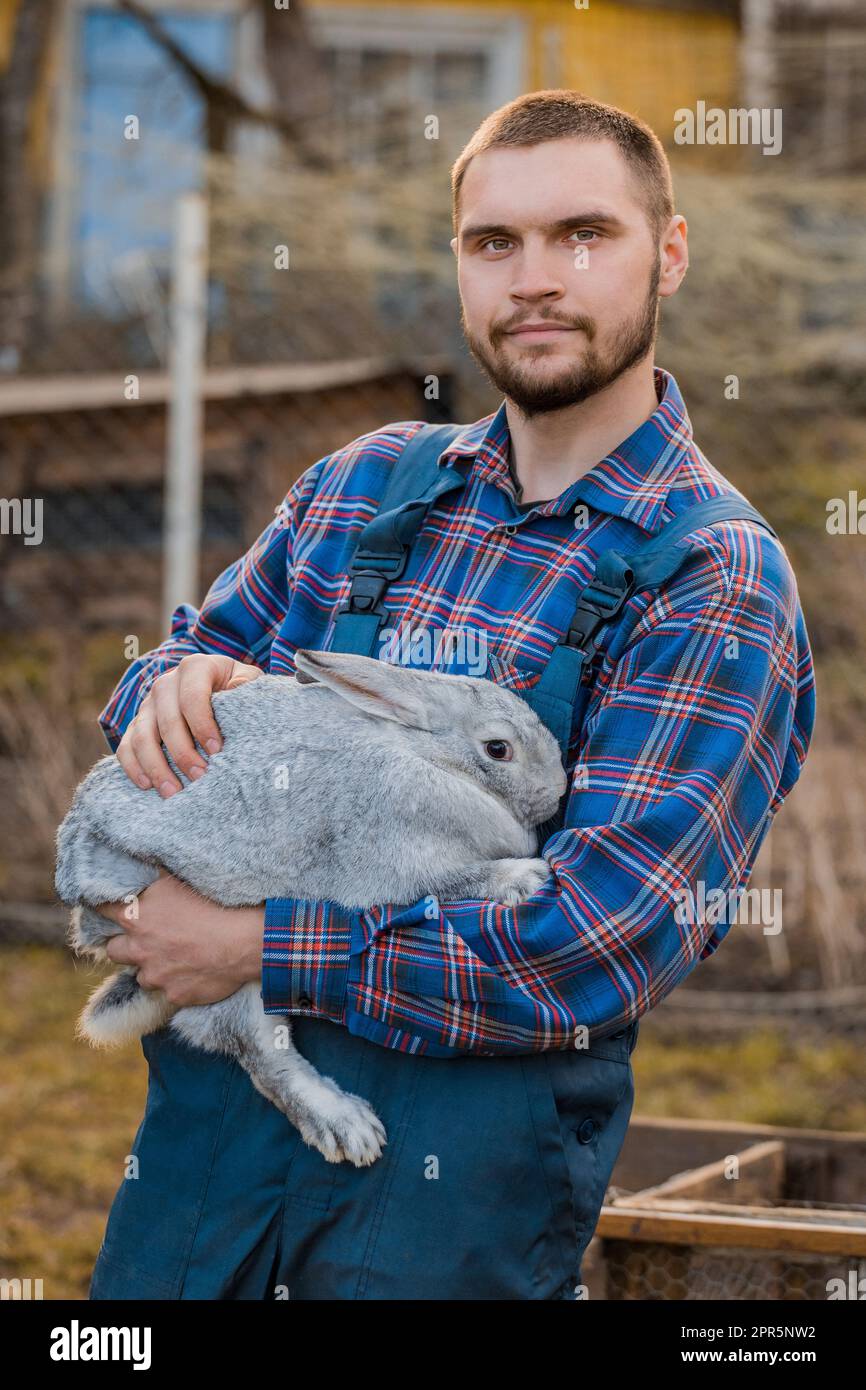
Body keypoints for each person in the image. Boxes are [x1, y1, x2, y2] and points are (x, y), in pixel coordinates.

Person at [87, 90, 815, 1300]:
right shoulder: (361, 489)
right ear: (461, 265)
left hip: (436, 1222)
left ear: (668, 255)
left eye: (582, 235)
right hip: (201, 1185)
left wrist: (255, 947)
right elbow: (166, 685)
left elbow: (586, 946)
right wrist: (174, 684)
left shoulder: (708, 576)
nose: (534, 278)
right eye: (494, 243)